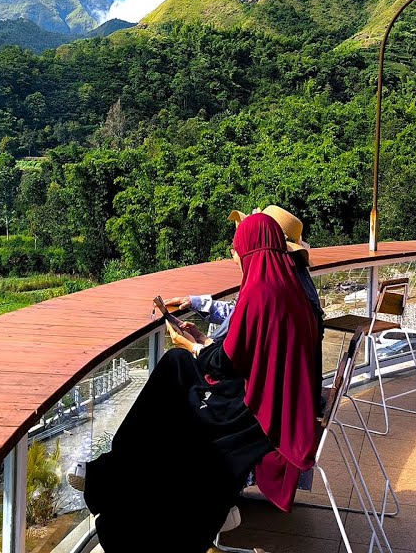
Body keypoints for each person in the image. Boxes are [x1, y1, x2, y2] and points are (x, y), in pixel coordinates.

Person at [79, 213, 322, 553]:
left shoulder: (263, 290)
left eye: (237, 247)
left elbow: (228, 363)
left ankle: (110, 478)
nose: (235, 255)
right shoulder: (291, 286)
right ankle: (109, 474)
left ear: (252, 247)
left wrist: (191, 345)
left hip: (254, 411)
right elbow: (249, 352)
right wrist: (201, 342)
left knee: (171, 388)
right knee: (174, 377)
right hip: (274, 401)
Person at [164, 205, 325, 339]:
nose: (236, 255)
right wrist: (196, 302)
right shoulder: (293, 278)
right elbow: (240, 313)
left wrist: (195, 343)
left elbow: (222, 355)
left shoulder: (270, 289)